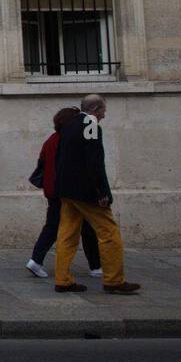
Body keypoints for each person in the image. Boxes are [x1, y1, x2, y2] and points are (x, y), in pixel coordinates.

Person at [53, 94, 141, 294]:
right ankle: (114, 280)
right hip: (86, 191)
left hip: (67, 189)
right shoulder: (91, 126)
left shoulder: (68, 125)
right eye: (103, 111)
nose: (104, 116)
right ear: (95, 109)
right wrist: (103, 192)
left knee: (67, 234)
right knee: (109, 233)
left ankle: (63, 279)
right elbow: (94, 161)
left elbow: (61, 158)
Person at [26, 106, 101, 278]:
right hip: (70, 190)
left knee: (52, 226)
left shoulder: (51, 140)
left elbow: (42, 164)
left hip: (52, 190)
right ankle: (95, 266)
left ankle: (36, 260)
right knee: (87, 227)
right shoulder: (69, 140)